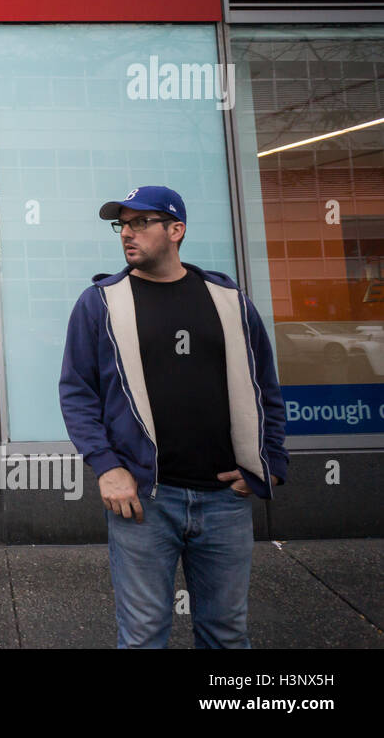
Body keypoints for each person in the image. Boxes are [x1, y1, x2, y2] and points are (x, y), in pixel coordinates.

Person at [59, 186, 288, 648]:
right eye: (122, 224)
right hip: (144, 499)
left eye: (141, 222)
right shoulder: (101, 302)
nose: (127, 233)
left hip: (225, 497)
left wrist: (270, 464)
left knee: (225, 633)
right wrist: (107, 467)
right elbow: (77, 393)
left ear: (176, 230)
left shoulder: (229, 301)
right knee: (143, 636)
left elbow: (266, 388)